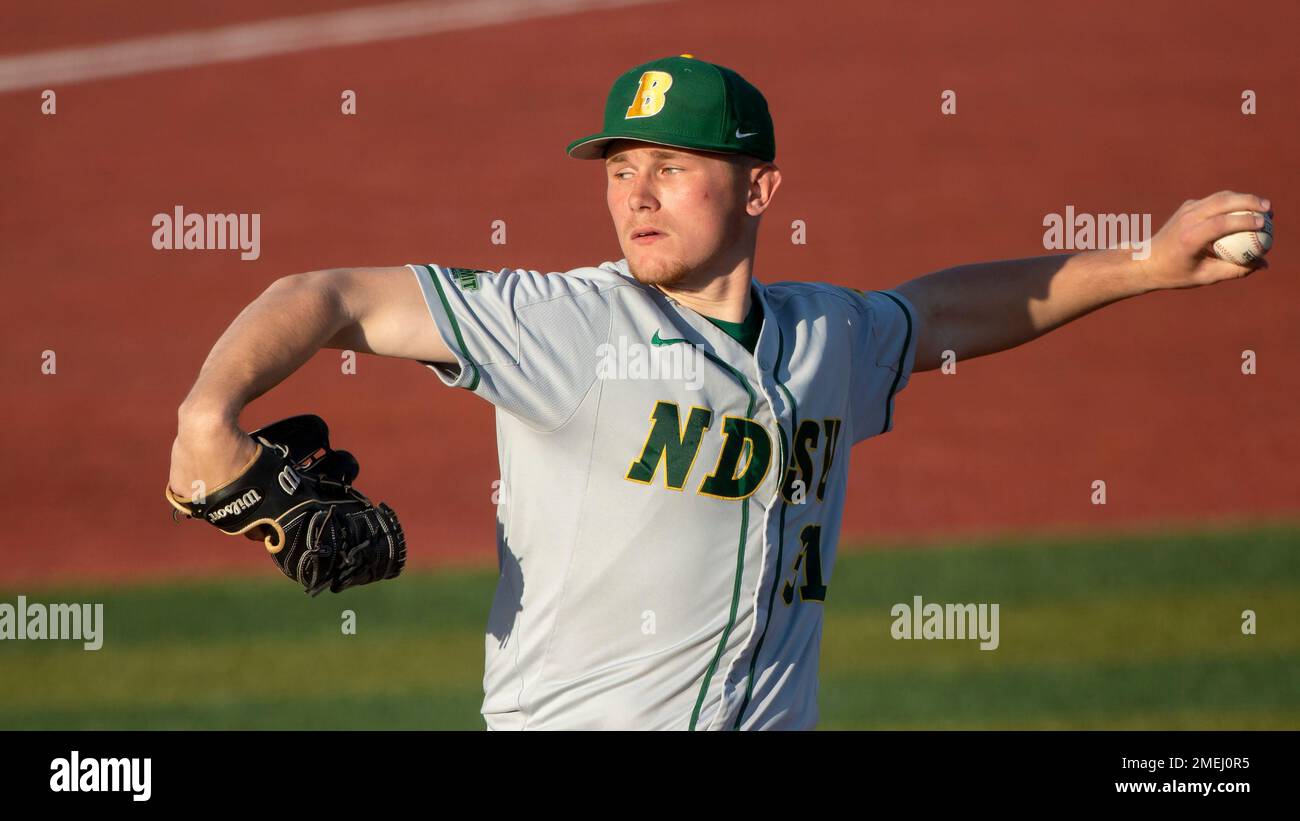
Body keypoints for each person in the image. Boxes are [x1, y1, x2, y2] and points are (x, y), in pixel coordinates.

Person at [167, 55, 1271, 730]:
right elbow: (325, 293)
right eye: (617, 168)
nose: (635, 195)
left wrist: (1144, 263)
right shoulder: (568, 322)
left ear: (759, 187)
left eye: (673, 166)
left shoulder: (825, 336)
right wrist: (205, 418)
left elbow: (943, 314)